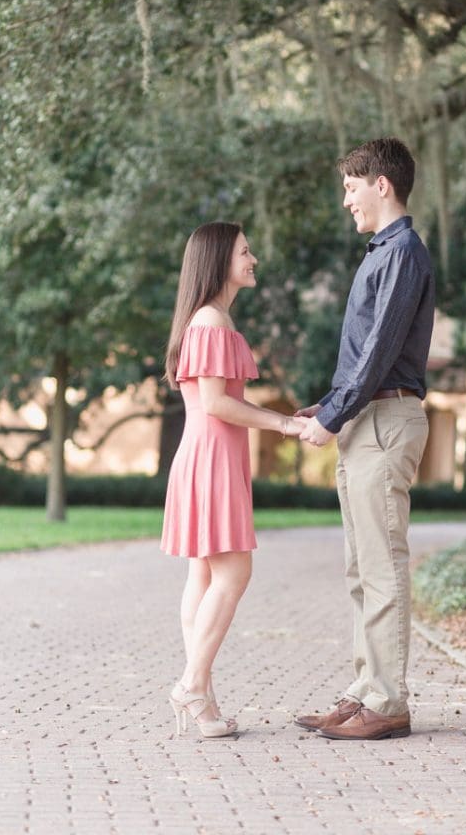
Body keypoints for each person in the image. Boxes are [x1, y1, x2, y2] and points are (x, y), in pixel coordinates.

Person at [295, 136, 435, 741]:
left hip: (386, 419)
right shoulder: (381, 252)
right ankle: (364, 690)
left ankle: (388, 700)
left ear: (383, 185)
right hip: (363, 420)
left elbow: (379, 351)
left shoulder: (404, 251)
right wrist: (331, 408)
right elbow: (363, 355)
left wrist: (335, 415)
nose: (347, 201)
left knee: (382, 567)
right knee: (360, 568)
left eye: (352, 189)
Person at [161, 221, 303, 738]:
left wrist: (288, 419)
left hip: (207, 456)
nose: (254, 258)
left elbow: (220, 402)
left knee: (203, 575)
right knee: (233, 574)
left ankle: (202, 699)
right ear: (220, 260)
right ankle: (193, 685)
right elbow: (219, 403)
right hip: (212, 458)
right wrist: (285, 423)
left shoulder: (209, 320)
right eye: (245, 251)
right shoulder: (211, 322)